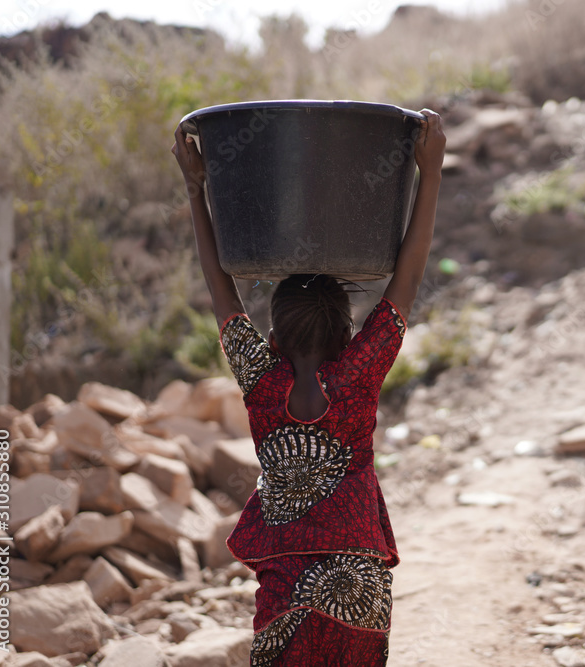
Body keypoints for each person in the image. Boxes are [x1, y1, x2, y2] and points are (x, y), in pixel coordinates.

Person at [171, 108, 445, 665]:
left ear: (272, 331)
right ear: (347, 330)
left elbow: (219, 285)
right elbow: (409, 277)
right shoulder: (360, 373)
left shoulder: (260, 380)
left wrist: (197, 188)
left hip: (286, 590)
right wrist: (429, 171)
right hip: (360, 587)